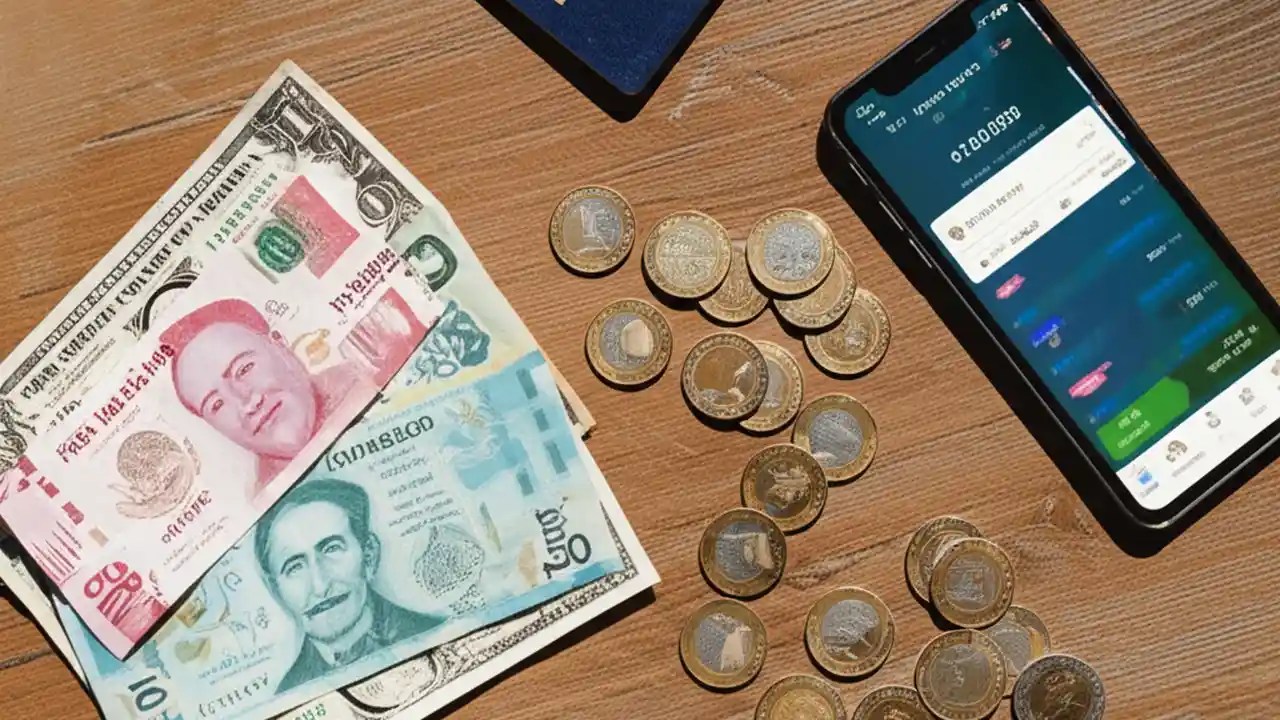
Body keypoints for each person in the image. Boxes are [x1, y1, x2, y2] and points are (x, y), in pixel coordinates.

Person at [253, 478, 446, 693]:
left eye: (331, 549)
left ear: (369, 555)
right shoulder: (289, 693)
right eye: (294, 567)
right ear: (276, 590)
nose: (320, 586)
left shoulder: (440, 634)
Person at [160, 298, 370, 492]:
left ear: (280, 347)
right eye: (216, 405)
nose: (247, 404)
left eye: (244, 369)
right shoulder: (263, 500)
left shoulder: (370, 373)